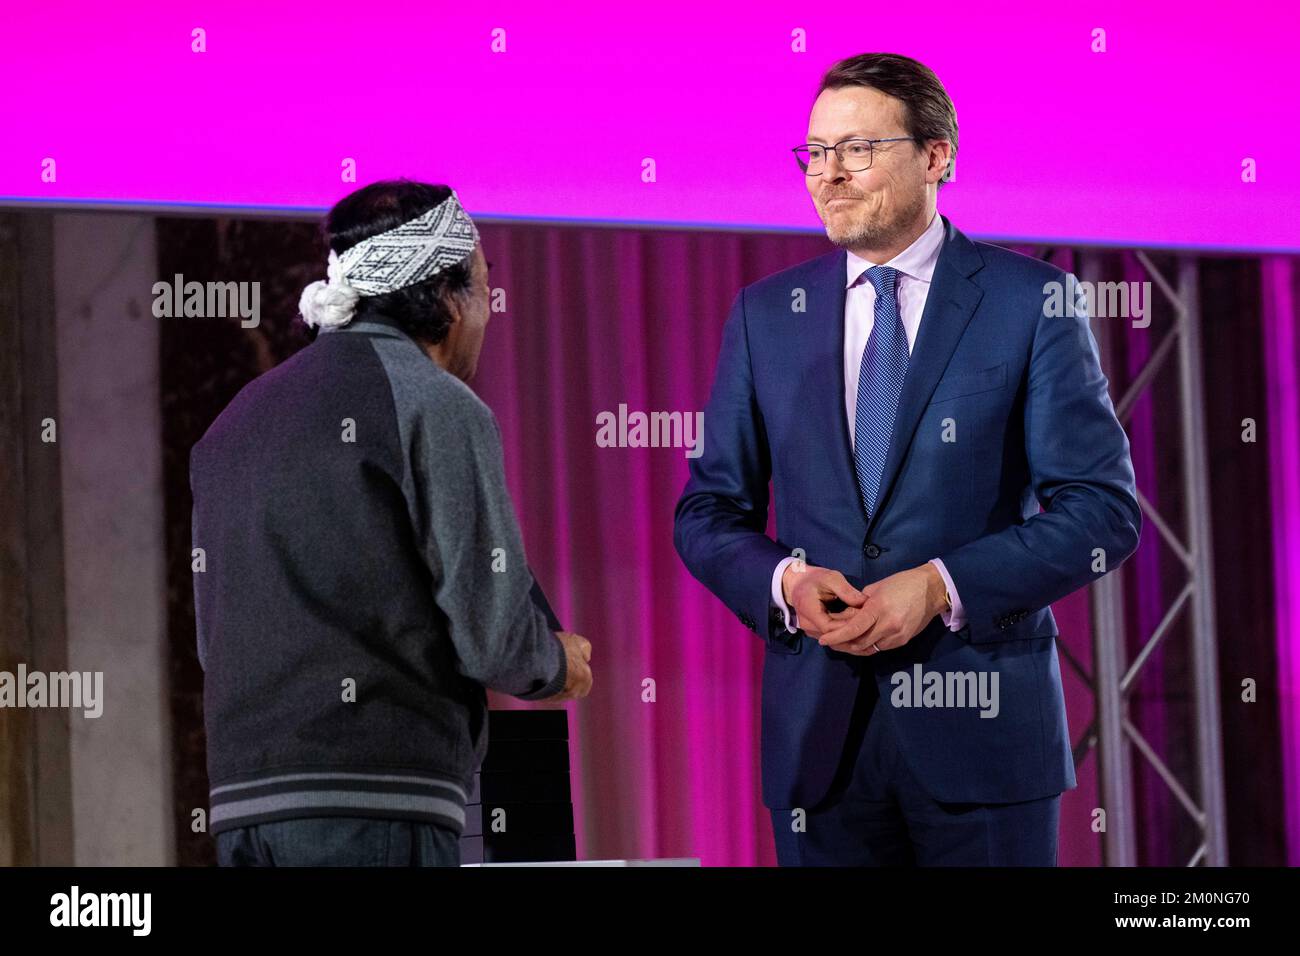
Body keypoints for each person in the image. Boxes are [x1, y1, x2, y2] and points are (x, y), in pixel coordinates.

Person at [674, 53, 1141, 865]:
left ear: (936, 157)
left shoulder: (1032, 303)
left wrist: (939, 586)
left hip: (985, 739)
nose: (829, 174)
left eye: (857, 149)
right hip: (821, 746)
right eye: (815, 152)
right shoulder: (765, 316)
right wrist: (785, 583)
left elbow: (1101, 512)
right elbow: (708, 511)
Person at [191, 179, 592, 866]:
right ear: (444, 297)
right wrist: (558, 663)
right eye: (485, 289)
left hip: (242, 809)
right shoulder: (435, 404)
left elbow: (214, 637)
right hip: (375, 807)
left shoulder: (235, 421)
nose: (488, 315)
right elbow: (491, 634)